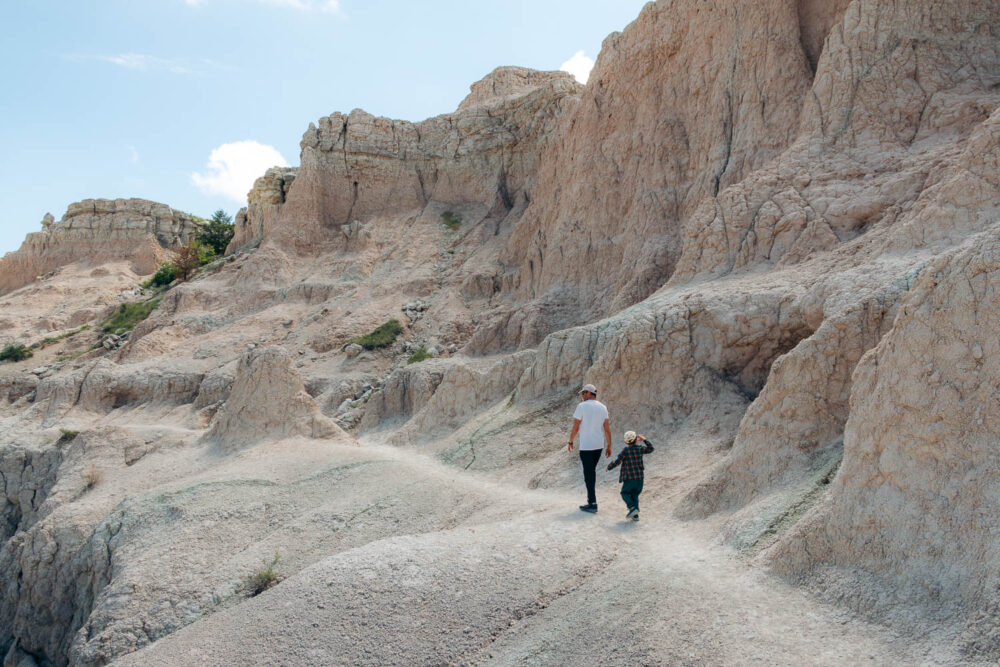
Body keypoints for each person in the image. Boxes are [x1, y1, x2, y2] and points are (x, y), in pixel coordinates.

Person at [567, 383, 612, 513]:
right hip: (599, 446)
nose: (581, 396)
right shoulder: (603, 407)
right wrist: (609, 445)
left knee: (589, 474)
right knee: (591, 472)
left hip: (586, 446)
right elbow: (607, 429)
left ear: (588, 393)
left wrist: (570, 441)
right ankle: (591, 501)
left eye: (583, 393)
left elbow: (576, 426)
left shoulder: (581, 406)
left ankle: (592, 503)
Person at [606, 431, 654, 521]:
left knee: (624, 493)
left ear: (626, 442)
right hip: (640, 477)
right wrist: (644, 440)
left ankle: (632, 508)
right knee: (635, 495)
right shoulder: (640, 448)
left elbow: (618, 461)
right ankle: (635, 516)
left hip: (629, 478)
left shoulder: (625, 451)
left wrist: (609, 467)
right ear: (636, 440)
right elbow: (651, 449)